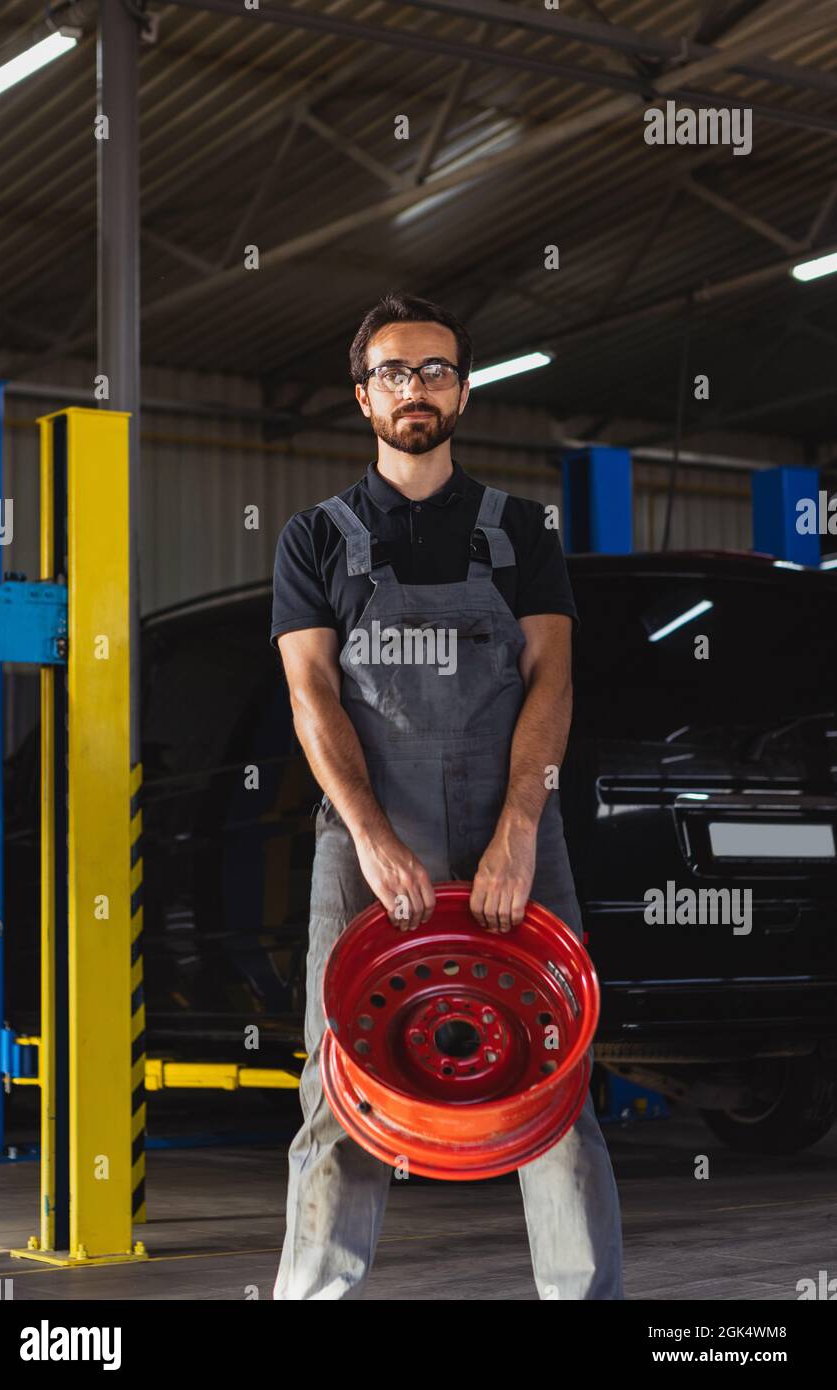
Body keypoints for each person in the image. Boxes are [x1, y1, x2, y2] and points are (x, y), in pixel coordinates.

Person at [270, 291, 624, 1300]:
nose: (415, 387)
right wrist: (376, 841)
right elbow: (312, 697)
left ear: (462, 391)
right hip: (370, 836)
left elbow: (551, 681)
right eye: (394, 370)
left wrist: (518, 829)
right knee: (341, 1084)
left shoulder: (519, 533)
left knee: (556, 1079)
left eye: (434, 370)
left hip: (514, 825)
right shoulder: (317, 540)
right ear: (362, 395)